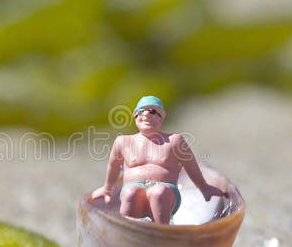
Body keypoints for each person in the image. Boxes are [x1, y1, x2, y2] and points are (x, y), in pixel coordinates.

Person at [91, 95, 227, 224]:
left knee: (158, 193)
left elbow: (191, 166)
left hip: (166, 191)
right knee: (131, 193)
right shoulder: (122, 141)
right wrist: (107, 188)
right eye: (141, 111)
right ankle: (127, 233)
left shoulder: (174, 141)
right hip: (132, 188)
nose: (146, 114)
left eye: (152, 111)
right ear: (135, 116)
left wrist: (204, 188)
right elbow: (113, 166)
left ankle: (162, 232)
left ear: (161, 118)